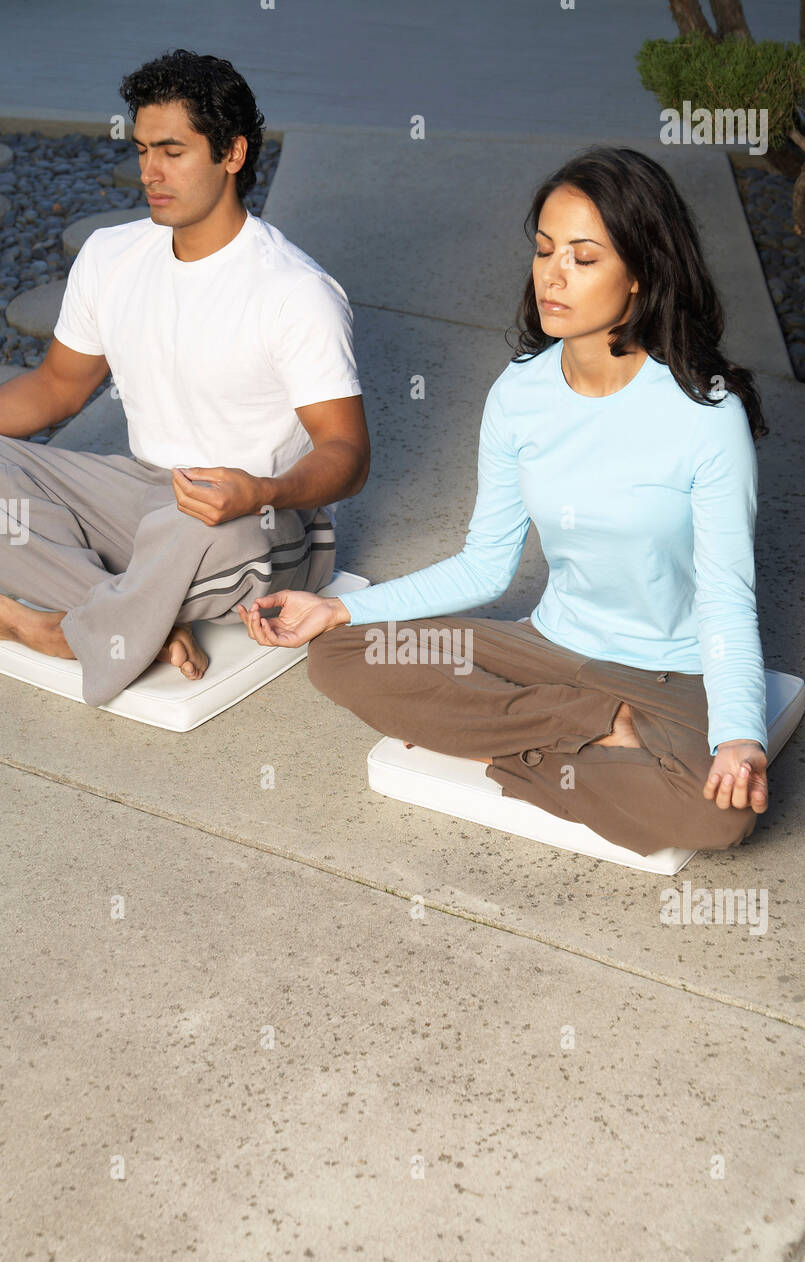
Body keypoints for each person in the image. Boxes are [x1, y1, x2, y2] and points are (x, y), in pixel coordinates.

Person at [236, 147, 769, 857]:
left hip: (670, 674)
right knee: (339, 657)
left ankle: (505, 744)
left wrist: (739, 735)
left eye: (584, 258)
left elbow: (727, 597)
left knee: (718, 818)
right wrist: (336, 609)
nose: (553, 274)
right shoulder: (520, 394)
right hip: (547, 647)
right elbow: (486, 565)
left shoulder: (706, 415)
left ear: (640, 276)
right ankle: (588, 732)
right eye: (545, 250)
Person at [0, 49, 369, 708]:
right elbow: (54, 388)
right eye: (142, 149)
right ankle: (132, 624)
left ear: (232, 154)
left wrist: (259, 490)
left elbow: (347, 454)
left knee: (191, 533)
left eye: (173, 151)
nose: (149, 171)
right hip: (140, 494)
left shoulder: (295, 292)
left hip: (260, 521)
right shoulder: (112, 256)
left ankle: (62, 629)